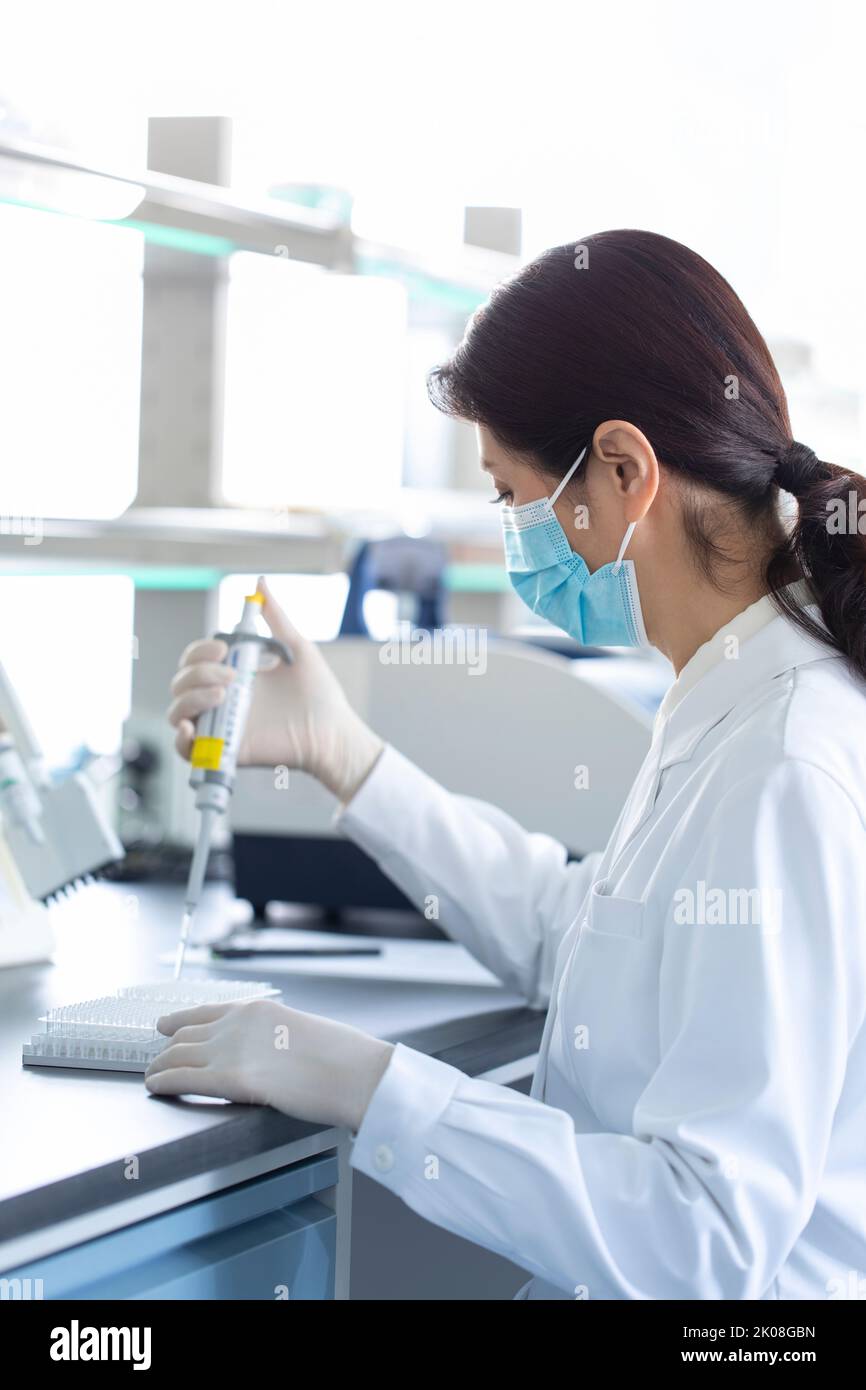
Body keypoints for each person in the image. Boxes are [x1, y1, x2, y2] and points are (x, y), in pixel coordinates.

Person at [147, 230, 866, 1300]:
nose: (512, 535)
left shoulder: (783, 761)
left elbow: (703, 1239)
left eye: (509, 495)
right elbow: (578, 935)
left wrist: (373, 1082)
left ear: (621, 471)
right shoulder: (730, 693)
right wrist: (345, 756)